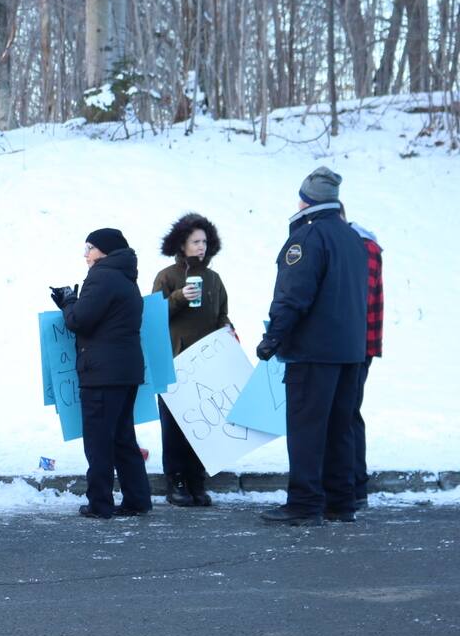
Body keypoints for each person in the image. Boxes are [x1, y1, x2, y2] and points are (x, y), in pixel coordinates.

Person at [256, 167, 367, 525]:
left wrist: (273, 337)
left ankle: (304, 503)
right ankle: (341, 502)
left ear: (307, 199)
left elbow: (294, 294)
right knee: (340, 428)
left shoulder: (308, 237)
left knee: (307, 428)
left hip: (313, 352)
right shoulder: (353, 239)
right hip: (350, 351)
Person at [54, 228, 151, 520]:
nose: (85, 255)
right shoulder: (125, 276)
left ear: (104, 251)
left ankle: (100, 503)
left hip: (101, 373)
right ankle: (137, 498)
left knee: (99, 440)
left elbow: (79, 321)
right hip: (126, 370)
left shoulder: (102, 276)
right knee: (122, 437)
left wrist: (68, 300)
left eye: (90, 248)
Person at [152, 213, 231, 507]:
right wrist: (178, 297)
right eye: (195, 241)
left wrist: (227, 326)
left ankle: (197, 479)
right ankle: (177, 481)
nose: (201, 246)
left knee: (202, 423)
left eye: (204, 242)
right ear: (181, 244)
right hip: (174, 362)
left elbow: (221, 313)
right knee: (174, 425)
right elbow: (153, 318)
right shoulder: (167, 276)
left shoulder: (214, 279)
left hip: (207, 364)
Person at [348, 218, 383, 510]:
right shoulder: (364, 246)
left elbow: (353, 299)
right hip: (359, 343)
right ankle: (355, 487)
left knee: (346, 416)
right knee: (349, 414)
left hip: (353, 344)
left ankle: (354, 486)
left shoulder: (361, 248)